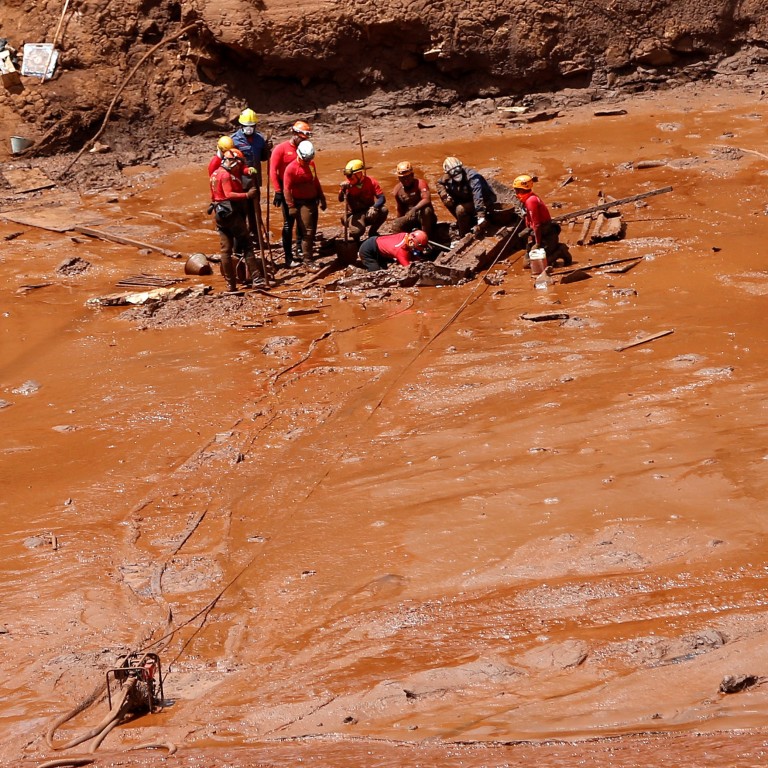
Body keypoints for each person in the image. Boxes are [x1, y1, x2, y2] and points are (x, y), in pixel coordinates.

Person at [209, 148, 262, 292]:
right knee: (247, 245)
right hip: (231, 213)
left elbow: (213, 196)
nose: (240, 166)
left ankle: (231, 285)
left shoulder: (215, 173)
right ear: (232, 162)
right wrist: (247, 195)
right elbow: (229, 194)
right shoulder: (225, 175)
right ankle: (257, 279)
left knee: (225, 250)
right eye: (238, 163)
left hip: (220, 214)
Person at [270, 120, 312, 267]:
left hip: (299, 188)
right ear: (294, 134)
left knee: (302, 222)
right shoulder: (281, 149)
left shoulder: (304, 149)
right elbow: (273, 171)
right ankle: (288, 257)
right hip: (285, 189)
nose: (302, 141)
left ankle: (299, 248)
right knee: (289, 223)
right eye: (301, 138)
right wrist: (277, 191)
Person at [283, 140, 327, 267]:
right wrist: (291, 206)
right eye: (305, 160)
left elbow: (315, 181)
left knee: (312, 231)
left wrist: (322, 197)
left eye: (309, 160)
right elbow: (286, 189)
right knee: (307, 232)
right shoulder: (291, 169)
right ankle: (308, 262)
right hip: (301, 203)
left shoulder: (311, 164)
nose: (307, 162)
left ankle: (303, 253)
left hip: (313, 201)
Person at [513, 174, 572, 267]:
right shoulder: (529, 198)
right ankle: (551, 251)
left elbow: (537, 225)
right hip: (538, 231)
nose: (515, 192)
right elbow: (529, 219)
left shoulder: (530, 201)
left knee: (535, 265)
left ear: (521, 190)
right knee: (526, 263)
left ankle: (560, 251)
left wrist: (538, 243)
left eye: (516, 190)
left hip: (546, 232)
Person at [231, 108, 271, 242]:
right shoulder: (234, 141)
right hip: (240, 183)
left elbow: (263, 158)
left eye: (251, 126)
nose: (249, 129)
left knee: (255, 210)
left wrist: (267, 149)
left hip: (254, 181)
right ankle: (242, 238)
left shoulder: (259, 139)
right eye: (246, 126)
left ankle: (256, 235)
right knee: (241, 212)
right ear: (241, 126)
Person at [436, 156, 497, 237]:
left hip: (486, 200)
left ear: (461, 167)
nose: (456, 173)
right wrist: (444, 195)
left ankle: (464, 234)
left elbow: (477, 196)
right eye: (452, 171)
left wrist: (481, 216)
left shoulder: (472, 177)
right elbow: (439, 183)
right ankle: (465, 221)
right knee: (447, 201)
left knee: (460, 209)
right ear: (448, 173)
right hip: (466, 198)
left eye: (457, 169)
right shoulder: (447, 177)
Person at [338, 159, 388, 242]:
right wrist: (343, 190)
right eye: (347, 177)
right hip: (354, 215)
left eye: (351, 176)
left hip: (368, 212)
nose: (349, 178)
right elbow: (340, 199)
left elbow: (382, 198)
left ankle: (372, 232)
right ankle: (356, 239)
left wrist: (374, 207)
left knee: (383, 210)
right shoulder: (347, 184)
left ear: (359, 174)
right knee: (357, 231)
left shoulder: (371, 182)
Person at [390, 161, 437, 239]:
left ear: (412, 175)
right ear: (399, 178)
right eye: (402, 178)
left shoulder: (420, 183)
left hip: (425, 217)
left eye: (407, 177)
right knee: (396, 223)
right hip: (410, 217)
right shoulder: (397, 190)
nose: (405, 180)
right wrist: (399, 221)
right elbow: (400, 209)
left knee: (426, 210)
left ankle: (426, 237)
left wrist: (414, 209)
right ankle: (400, 242)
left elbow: (427, 199)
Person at [359, 229, 428, 272]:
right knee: (375, 273)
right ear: (411, 242)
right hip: (367, 250)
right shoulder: (400, 251)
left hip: (378, 247)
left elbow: (410, 254)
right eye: (420, 247)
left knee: (384, 269)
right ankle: (361, 271)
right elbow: (408, 268)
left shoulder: (406, 235)